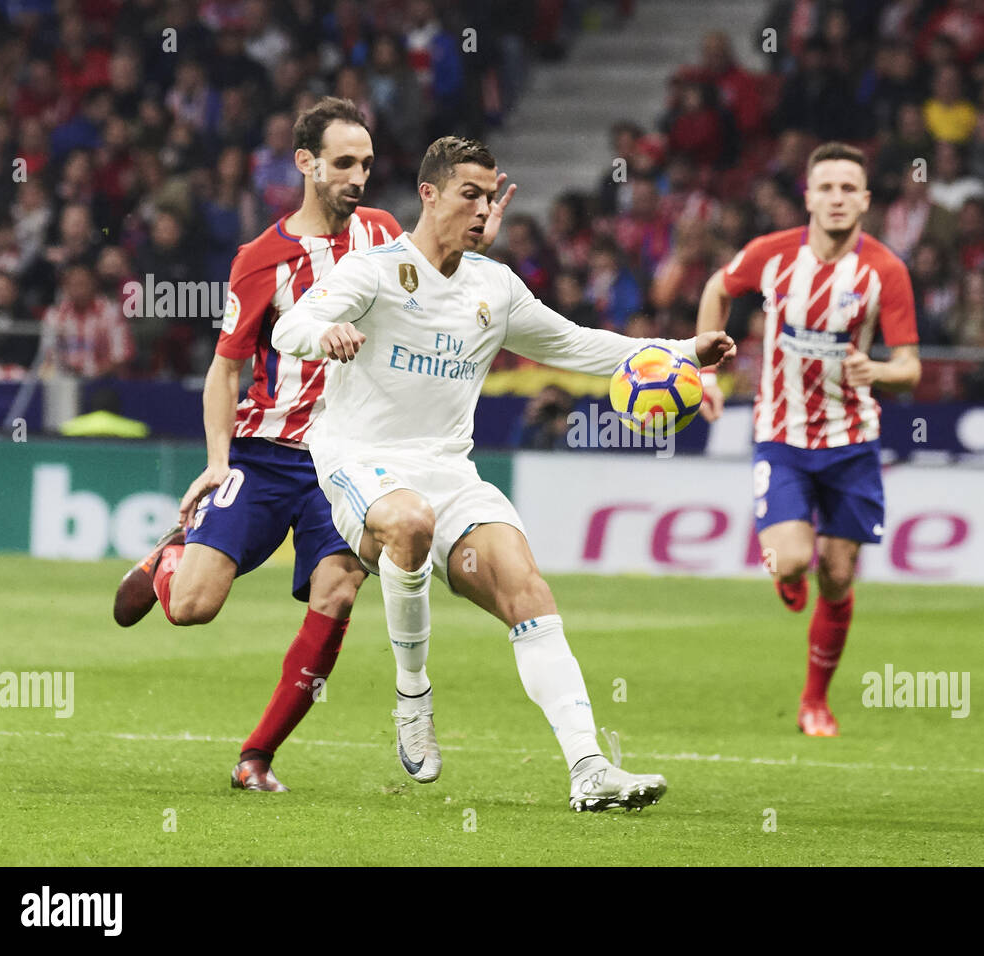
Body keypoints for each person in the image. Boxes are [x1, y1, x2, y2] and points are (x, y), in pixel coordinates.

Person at [271, 135, 736, 811]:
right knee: (409, 521)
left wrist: (682, 349)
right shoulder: (375, 271)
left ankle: (589, 769)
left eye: (491, 197)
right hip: (359, 460)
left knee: (525, 586)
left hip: (448, 469)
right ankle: (412, 694)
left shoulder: (495, 288)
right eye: (469, 194)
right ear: (428, 195)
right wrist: (326, 335)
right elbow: (294, 324)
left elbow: (579, 344)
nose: (485, 209)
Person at [111, 99, 515, 793]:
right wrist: (216, 462)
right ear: (306, 163)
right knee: (195, 607)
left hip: (352, 458)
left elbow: (445, 284)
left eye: (366, 162)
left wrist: (473, 240)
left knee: (337, 590)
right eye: (344, 163)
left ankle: (256, 757)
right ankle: (171, 557)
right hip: (266, 454)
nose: (359, 176)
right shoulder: (260, 260)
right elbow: (226, 367)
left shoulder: (384, 233)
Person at [695, 142, 921, 738]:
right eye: (827, 187)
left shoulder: (885, 271)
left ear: (866, 200)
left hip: (852, 440)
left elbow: (910, 366)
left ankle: (814, 701)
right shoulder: (771, 256)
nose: (838, 198)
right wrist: (702, 370)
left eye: (850, 188)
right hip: (782, 434)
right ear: (809, 196)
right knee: (792, 559)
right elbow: (717, 288)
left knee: (840, 577)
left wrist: (879, 372)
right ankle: (786, 572)